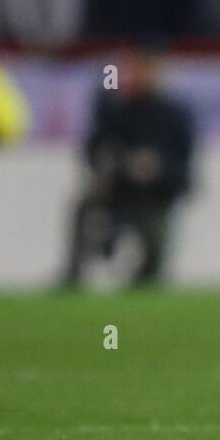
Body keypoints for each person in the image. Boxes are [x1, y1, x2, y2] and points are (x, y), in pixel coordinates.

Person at [61, 46, 195, 288]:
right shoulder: (116, 109)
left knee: (153, 267)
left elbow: (185, 169)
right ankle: (74, 273)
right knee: (84, 208)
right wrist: (122, 163)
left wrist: (157, 169)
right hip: (118, 194)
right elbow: (93, 150)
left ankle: (145, 278)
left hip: (154, 200)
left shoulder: (175, 116)